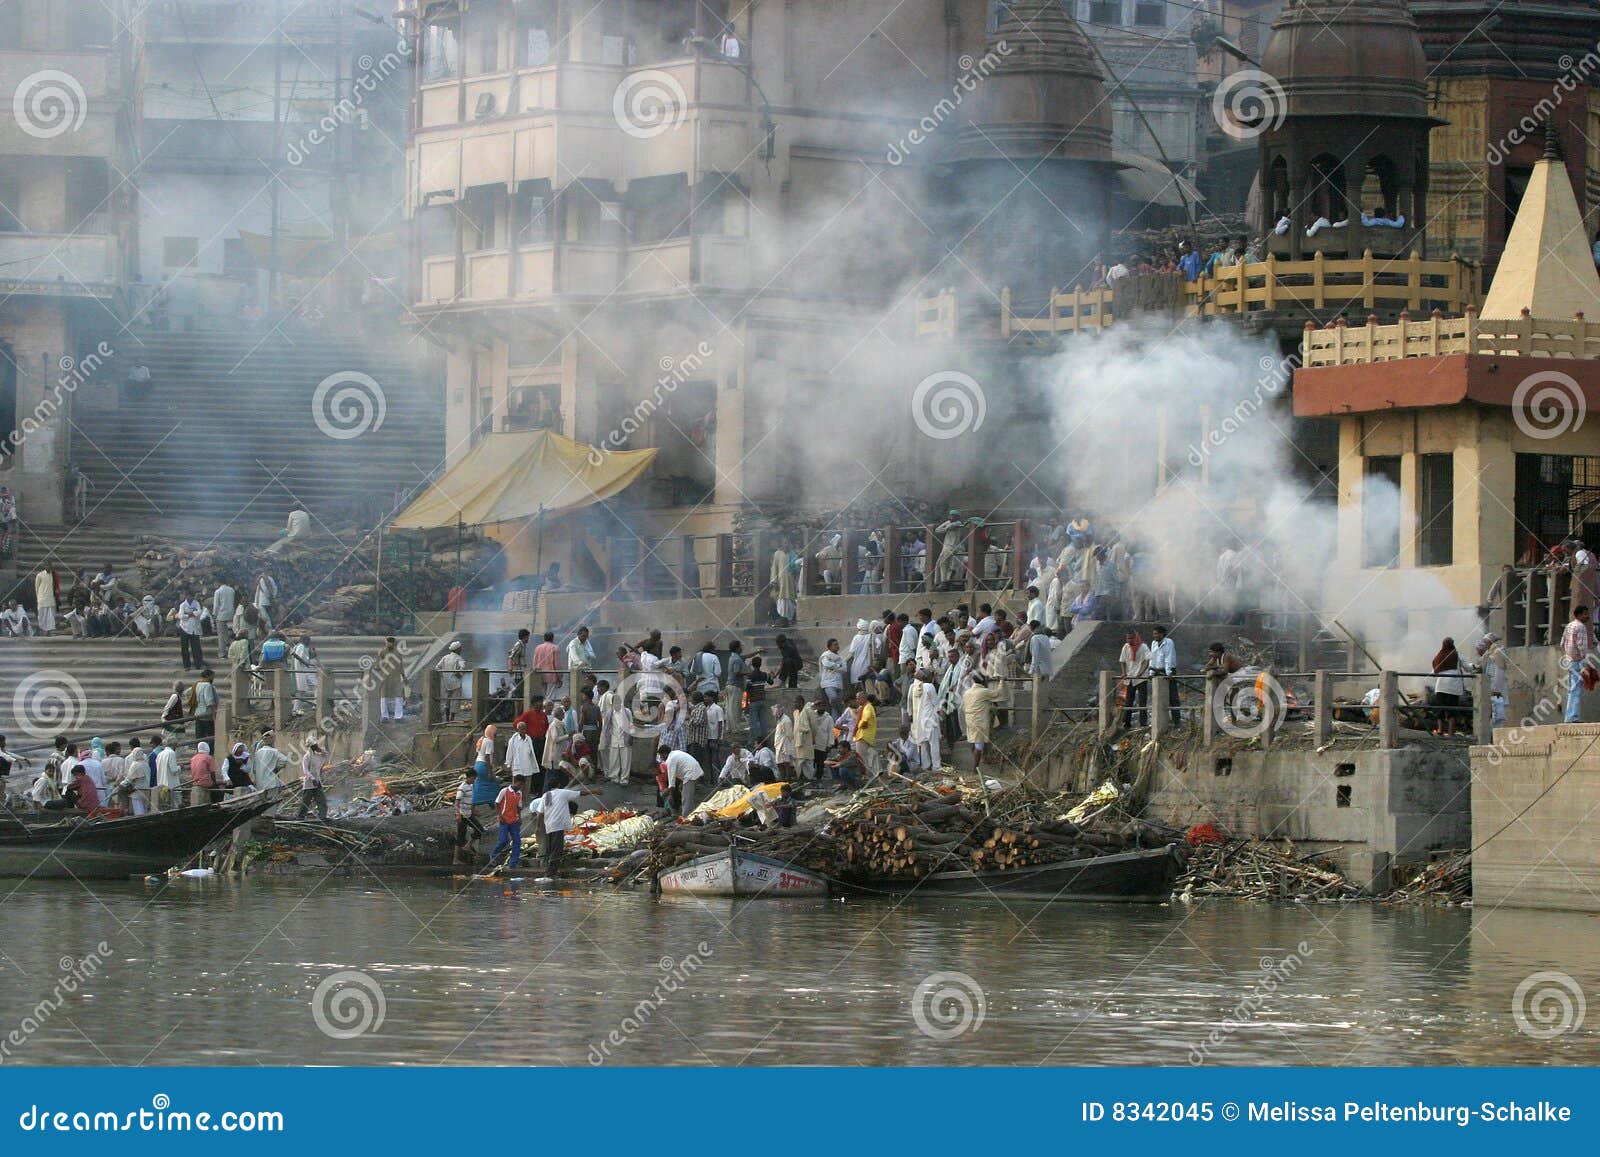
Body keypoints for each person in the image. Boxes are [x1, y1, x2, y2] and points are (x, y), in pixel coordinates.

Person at [530, 772, 602, 877]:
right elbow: (580, 793)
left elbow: (540, 813)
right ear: (559, 785)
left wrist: (538, 827)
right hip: (558, 824)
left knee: (550, 847)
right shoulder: (562, 793)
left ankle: (549, 868)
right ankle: (551, 871)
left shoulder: (547, 795)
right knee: (557, 848)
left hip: (549, 824)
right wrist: (594, 791)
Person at [488, 774, 527, 870]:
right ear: (515, 782)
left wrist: (520, 817)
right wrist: (500, 815)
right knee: (503, 840)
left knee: (517, 841)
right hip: (504, 820)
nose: (520, 786)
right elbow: (497, 803)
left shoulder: (519, 793)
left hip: (514, 820)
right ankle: (493, 855)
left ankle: (513, 863)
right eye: (520, 784)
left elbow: (519, 807)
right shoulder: (504, 791)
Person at [1563, 606, 1594, 723]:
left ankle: (1569, 717)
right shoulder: (1581, 627)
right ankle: (1573, 718)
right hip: (1577, 661)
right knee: (1576, 690)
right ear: (1579, 615)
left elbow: (1562, 643)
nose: (1587, 616)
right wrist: (1585, 662)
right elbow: (1581, 646)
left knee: (1572, 690)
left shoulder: (1569, 625)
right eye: (1585, 614)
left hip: (1569, 661)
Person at [1431, 637, 1466, 736]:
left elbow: (1434, 670)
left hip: (1440, 687)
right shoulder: (1458, 655)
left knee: (1440, 708)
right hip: (1453, 688)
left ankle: (1440, 730)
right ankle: (1450, 732)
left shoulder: (1439, 656)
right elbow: (1467, 667)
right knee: (1452, 709)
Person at [1148, 624, 1181, 728]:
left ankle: (1177, 721)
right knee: (1158, 696)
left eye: (1157, 634)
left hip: (1168, 671)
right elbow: (1152, 658)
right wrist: (1151, 673)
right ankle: (1161, 721)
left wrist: (1169, 673)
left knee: (1173, 696)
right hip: (1157, 671)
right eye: (1154, 634)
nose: (1155, 636)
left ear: (1162, 634)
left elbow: (1169, 658)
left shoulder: (1169, 642)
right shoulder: (1153, 643)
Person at [660, 745, 705, 815]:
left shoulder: (670, 760)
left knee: (686, 798)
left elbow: (671, 783)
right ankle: (691, 815)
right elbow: (681, 768)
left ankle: (686, 817)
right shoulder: (675, 753)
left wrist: (670, 796)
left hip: (690, 774)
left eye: (661, 755)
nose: (661, 758)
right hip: (694, 771)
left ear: (665, 754)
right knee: (687, 796)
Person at [452, 767, 485, 865]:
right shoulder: (462, 787)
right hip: (463, 816)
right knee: (460, 837)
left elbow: (470, 801)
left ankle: (467, 846)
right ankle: (455, 859)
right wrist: (458, 814)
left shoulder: (471, 786)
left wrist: (474, 811)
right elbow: (457, 803)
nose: (474, 781)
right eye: (473, 779)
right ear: (469, 777)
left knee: (479, 830)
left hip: (469, 814)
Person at [297, 741, 329, 819]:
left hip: (317, 782)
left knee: (322, 800)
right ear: (311, 747)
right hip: (309, 783)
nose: (316, 746)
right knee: (306, 801)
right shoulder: (306, 757)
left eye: (316, 745)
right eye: (314, 746)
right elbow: (306, 771)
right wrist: (312, 779)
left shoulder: (318, 756)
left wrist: (320, 750)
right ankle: (300, 817)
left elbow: (325, 755)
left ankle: (322, 817)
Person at [436, 640, 467, 721]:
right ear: (457, 649)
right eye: (460, 649)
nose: (461, 650)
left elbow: (437, 667)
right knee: (455, 701)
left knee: (447, 701)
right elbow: (462, 668)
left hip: (446, 683)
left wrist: (443, 675)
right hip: (456, 683)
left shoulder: (445, 657)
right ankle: (452, 719)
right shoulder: (459, 659)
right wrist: (459, 674)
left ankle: (446, 719)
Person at [378, 636, 407, 719]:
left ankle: (398, 716)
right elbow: (378, 664)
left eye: (390, 642)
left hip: (396, 677)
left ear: (393, 643)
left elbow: (400, 665)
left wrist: (403, 675)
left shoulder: (398, 653)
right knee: (383, 697)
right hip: (384, 677)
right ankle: (384, 716)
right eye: (387, 642)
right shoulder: (382, 652)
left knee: (399, 696)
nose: (388, 644)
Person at [290, 634, 318, 716]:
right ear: (304, 640)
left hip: (306, 671)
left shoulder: (304, 647)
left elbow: (308, 658)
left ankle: (316, 704)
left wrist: (313, 653)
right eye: (308, 640)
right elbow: (299, 657)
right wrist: (306, 663)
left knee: (317, 686)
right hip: (300, 672)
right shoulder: (300, 647)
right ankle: (296, 710)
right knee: (301, 691)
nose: (309, 642)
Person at [818, 637, 846, 714]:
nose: (837, 646)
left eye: (837, 644)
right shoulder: (825, 656)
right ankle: (842, 712)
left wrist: (834, 666)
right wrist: (838, 666)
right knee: (833, 698)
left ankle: (835, 723)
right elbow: (827, 664)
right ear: (829, 647)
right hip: (828, 683)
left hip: (839, 684)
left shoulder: (840, 658)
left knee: (834, 706)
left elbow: (844, 669)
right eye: (835, 645)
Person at [176, 591, 204, 669]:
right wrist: (190, 615)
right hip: (184, 628)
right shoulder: (183, 605)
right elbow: (181, 615)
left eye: (191, 596)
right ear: (186, 596)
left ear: (193, 596)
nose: (189, 598)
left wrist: (190, 614)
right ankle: (186, 665)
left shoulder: (196, 603)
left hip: (195, 629)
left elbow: (199, 612)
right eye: (188, 596)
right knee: (184, 648)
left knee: (196, 647)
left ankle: (198, 664)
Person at [852, 690, 878, 775]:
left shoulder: (868, 707)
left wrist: (860, 725)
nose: (857, 701)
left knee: (862, 758)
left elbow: (865, 720)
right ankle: (866, 775)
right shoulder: (864, 707)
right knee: (862, 757)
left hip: (863, 736)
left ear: (863, 698)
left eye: (858, 699)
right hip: (862, 735)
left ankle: (867, 776)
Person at [566, 626, 595, 699]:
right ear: (578, 635)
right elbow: (574, 656)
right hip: (575, 671)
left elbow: (591, 655)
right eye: (583, 636)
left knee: (585, 691)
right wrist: (581, 663)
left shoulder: (586, 643)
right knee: (576, 691)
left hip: (585, 671)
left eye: (586, 636)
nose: (585, 638)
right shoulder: (573, 643)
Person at [153, 737, 181, 811]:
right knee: (176, 807)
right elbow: (174, 770)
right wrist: (180, 767)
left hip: (161, 785)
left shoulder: (160, 754)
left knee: (164, 807)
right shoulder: (171, 753)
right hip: (172, 785)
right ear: (174, 745)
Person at [532, 631, 562, 698]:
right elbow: (557, 665)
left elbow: (534, 663)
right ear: (552, 638)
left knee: (542, 697)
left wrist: (535, 676)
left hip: (540, 676)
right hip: (551, 677)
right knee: (550, 698)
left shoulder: (538, 648)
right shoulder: (555, 648)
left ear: (544, 638)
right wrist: (560, 677)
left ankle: (543, 708)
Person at [188, 741, 218, 806]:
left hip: (195, 782)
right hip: (205, 782)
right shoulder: (208, 757)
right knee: (217, 790)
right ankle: (215, 804)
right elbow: (212, 772)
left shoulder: (193, 758)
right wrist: (214, 782)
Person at [212, 579, 236, 659]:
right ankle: (232, 652)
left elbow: (216, 605)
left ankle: (222, 653)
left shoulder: (218, 591)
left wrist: (214, 615)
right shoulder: (232, 590)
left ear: (218, 582)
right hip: (231, 615)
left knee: (221, 636)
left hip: (221, 616)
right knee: (231, 634)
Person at [192, 669, 216, 745]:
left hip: (198, 714)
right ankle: (210, 753)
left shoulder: (197, 684)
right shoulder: (207, 685)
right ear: (208, 676)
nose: (213, 679)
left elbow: (187, 693)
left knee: (199, 737)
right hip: (207, 715)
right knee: (210, 737)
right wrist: (214, 714)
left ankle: (199, 752)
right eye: (212, 676)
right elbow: (209, 702)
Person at [34, 568, 56, 634]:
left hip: (50, 598)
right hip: (42, 599)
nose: (48, 567)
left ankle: (48, 631)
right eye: (47, 565)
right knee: (41, 616)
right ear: (44, 566)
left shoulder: (53, 575)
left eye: (50, 565)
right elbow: (36, 587)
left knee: (50, 616)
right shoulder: (39, 575)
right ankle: (42, 630)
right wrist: (38, 597)